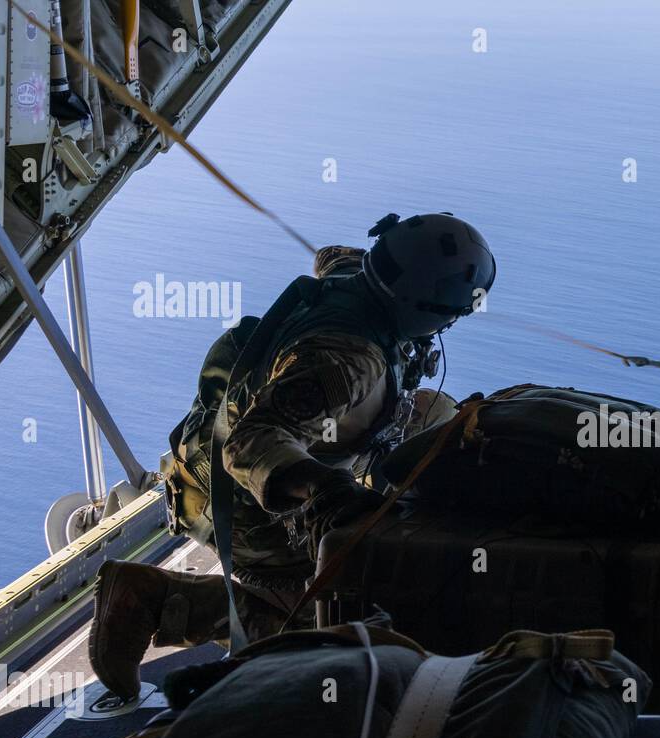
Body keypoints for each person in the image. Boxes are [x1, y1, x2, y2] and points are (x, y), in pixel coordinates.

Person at [89, 213, 496, 700]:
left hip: (216, 443)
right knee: (344, 633)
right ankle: (149, 600)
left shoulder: (359, 275)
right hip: (240, 504)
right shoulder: (348, 363)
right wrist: (329, 490)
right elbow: (250, 443)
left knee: (438, 413)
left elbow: (332, 255)